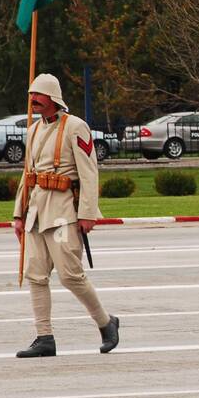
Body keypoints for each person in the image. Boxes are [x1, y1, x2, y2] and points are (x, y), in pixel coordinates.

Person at [12, 73, 119, 357]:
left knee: (70, 275)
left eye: (38, 95)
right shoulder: (33, 130)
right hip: (35, 211)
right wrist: (18, 214)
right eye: (31, 95)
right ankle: (44, 337)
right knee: (35, 275)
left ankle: (106, 323)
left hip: (62, 213)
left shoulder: (76, 127)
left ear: (52, 98)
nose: (33, 100)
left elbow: (89, 172)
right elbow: (27, 174)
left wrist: (88, 214)